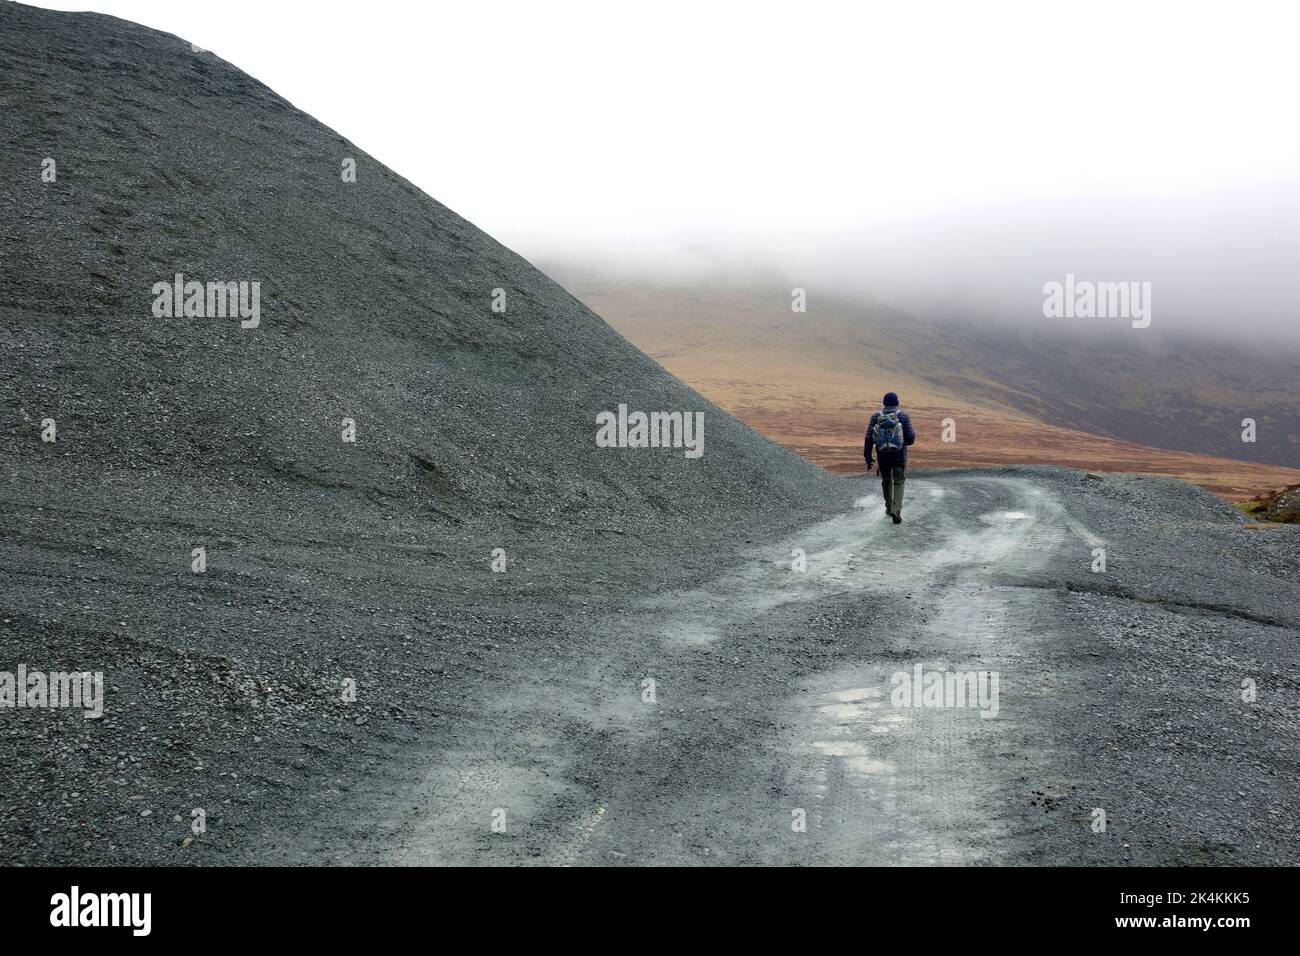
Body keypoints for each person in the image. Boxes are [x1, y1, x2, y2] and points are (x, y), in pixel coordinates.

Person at [864, 391, 916, 524]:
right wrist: (902, 442)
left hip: (882, 456)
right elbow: (910, 438)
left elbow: (869, 438)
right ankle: (896, 509)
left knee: (886, 481)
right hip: (899, 456)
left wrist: (868, 455)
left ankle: (888, 507)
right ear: (897, 403)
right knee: (899, 481)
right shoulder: (903, 416)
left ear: (884, 403)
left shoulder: (876, 416)